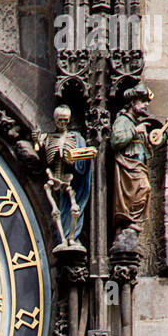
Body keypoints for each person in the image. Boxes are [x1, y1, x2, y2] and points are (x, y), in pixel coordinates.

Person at [111, 83, 168, 247]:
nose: (146, 105)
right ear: (133, 103)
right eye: (143, 101)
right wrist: (135, 131)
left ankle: (132, 221)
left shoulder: (137, 124)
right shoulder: (123, 121)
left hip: (139, 164)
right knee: (143, 188)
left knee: (144, 189)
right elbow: (116, 141)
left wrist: (167, 131)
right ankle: (128, 221)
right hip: (128, 165)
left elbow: (151, 143)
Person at [33, 104, 96, 250]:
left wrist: (78, 157)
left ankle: (72, 236)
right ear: (55, 120)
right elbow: (38, 150)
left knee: (74, 208)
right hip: (53, 177)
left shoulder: (76, 138)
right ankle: (62, 238)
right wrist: (36, 140)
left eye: (65, 120)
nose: (63, 123)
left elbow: (82, 162)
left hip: (68, 177)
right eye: (60, 120)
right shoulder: (47, 137)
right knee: (56, 210)